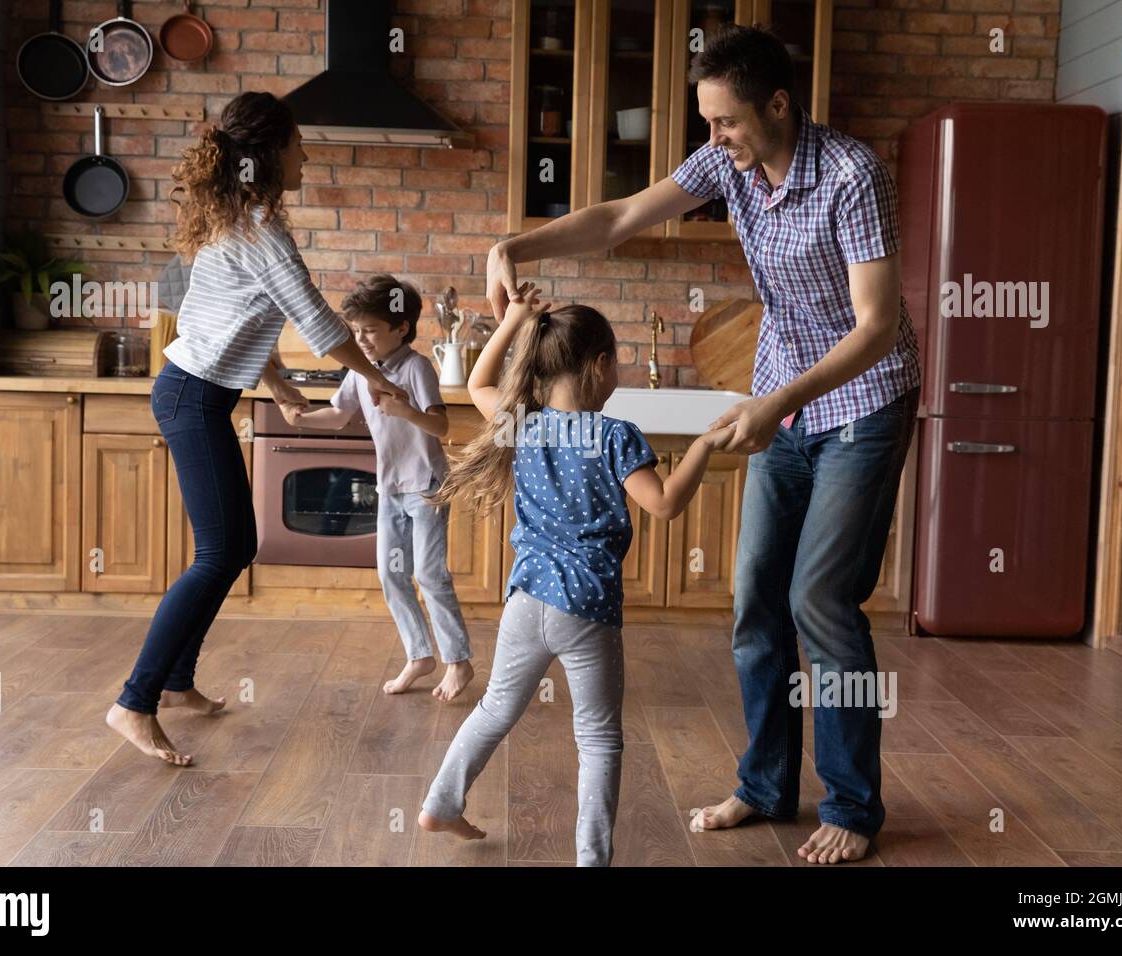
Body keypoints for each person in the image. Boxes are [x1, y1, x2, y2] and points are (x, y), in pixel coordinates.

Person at [483, 26, 921, 863]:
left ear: (779, 105)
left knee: (821, 601)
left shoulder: (852, 176)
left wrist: (779, 400)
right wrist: (517, 242)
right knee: (754, 598)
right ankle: (764, 786)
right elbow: (617, 218)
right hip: (782, 400)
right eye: (709, 123)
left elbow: (875, 326)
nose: (713, 139)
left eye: (726, 122)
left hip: (863, 402)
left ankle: (855, 806)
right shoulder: (730, 165)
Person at [106, 92, 407, 766]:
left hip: (199, 394)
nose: (304, 155)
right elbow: (320, 323)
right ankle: (134, 701)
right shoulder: (260, 232)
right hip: (192, 397)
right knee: (221, 551)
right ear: (270, 153)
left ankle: (177, 682)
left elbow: (237, 322)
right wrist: (378, 376)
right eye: (298, 143)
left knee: (233, 547)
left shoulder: (244, 221)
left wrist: (278, 386)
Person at [416, 283, 735, 866]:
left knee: (493, 710)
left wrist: (513, 319)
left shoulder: (525, 425)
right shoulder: (615, 437)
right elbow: (663, 503)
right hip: (585, 608)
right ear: (600, 365)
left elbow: (480, 384)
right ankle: (591, 858)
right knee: (598, 738)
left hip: (525, 599)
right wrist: (705, 446)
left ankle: (440, 801)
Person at [279, 274, 476, 702]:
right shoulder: (359, 372)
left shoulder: (417, 367)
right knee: (391, 573)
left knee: (428, 573)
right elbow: (337, 414)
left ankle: (458, 661)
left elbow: (440, 426)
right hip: (389, 488)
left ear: (401, 328)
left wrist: (404, 410)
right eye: (355, 331)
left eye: (369, 330)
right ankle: (420, 655)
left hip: (426, 487)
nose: (361, 339)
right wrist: (300, 419)